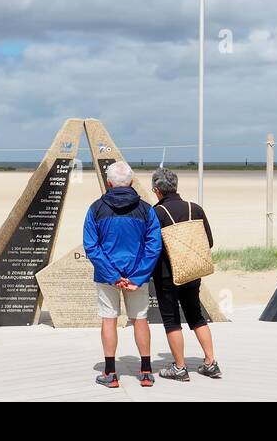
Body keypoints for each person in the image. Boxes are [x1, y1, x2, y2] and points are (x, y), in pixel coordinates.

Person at [82, 160, 162, 388]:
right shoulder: (146, 209)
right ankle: (146, 371)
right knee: (140, 319)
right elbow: (153, 245)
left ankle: (110, 373)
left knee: (109, 319)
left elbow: (91, 246)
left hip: (107, 276)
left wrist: (112, 275)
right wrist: (137, 276)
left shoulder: (96, 208)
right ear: (132, 182)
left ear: (109, 183)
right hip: (137, 275)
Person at [150, 168, 221, 381]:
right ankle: (210, 362)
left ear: (156, 189)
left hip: (166, 275)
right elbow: (208, 242)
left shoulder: (156, 213)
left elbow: (153, 247)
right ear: (176, 185)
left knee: (172, 321)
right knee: (196, 315)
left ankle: (180, 368)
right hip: (192, 271)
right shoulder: (195, 209)